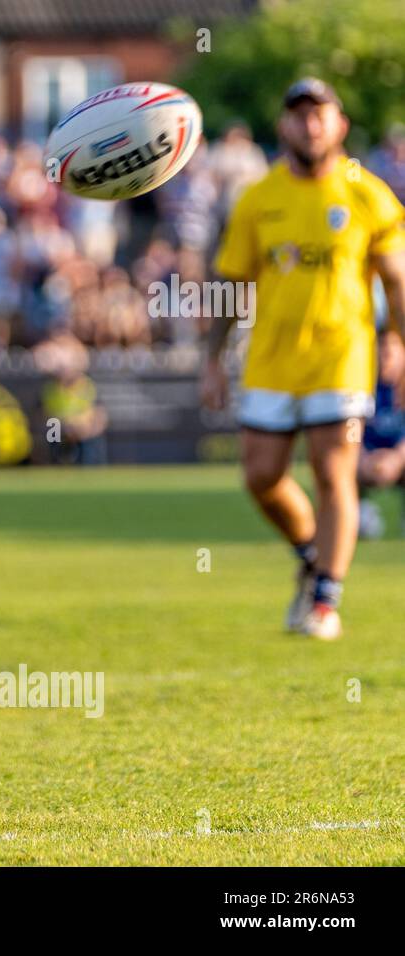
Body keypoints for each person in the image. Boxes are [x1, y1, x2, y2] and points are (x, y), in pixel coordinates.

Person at [201, 79, 405, 640]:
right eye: (297, 115)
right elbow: (232, 284)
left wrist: (400, 344)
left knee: (333, 471)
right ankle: (313, 553)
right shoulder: (258, 197)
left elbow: (396, 278)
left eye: (320, 115)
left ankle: (325, 599)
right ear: (282, 126)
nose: (309, 125)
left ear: (340, 124)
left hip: (341, 354)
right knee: (262, 477)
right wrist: (212, 359)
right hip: (271, 357)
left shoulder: (368, 193)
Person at [357, 327, 405, 538]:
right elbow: (349, 430)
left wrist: (397, 457)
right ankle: (359, 516)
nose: (385, 356)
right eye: (380, 349)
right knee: (337, 463)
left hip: (399, 459)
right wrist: (362, 457)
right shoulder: (361, 388)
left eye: (391, 350)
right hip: (367, 460)